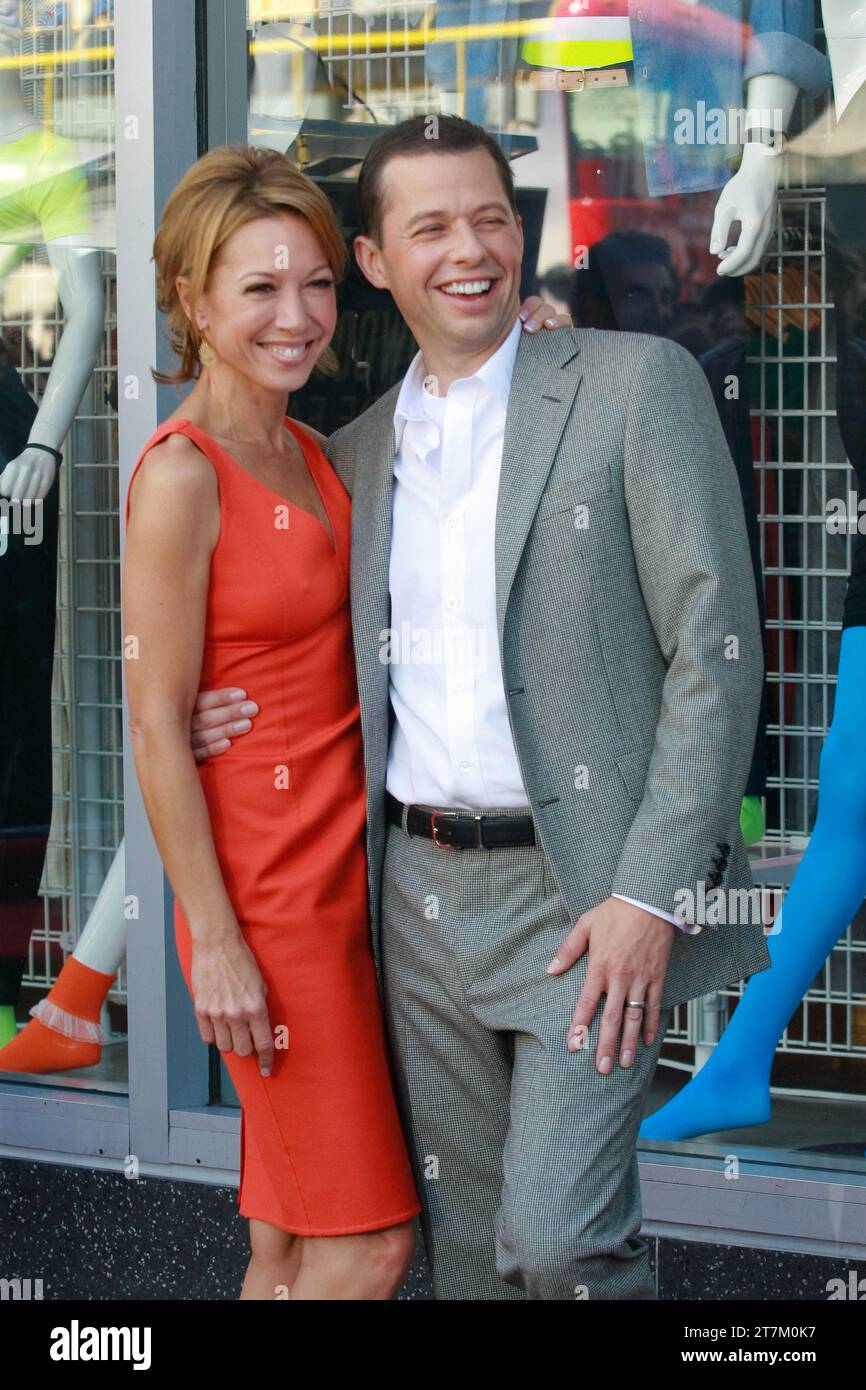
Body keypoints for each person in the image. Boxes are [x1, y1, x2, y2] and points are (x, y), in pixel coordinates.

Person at [191, 115, 770, 1301]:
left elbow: (716, 653)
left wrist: (648, 894)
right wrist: (220, 713)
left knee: (555, 1247)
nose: (470, 248)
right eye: (431, 225)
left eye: (492, 217)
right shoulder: (341, 457)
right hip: (412, 899)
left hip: (586, 890)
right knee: (461, 1254)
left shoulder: (631, 387)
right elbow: (312, 652)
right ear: (374, 261)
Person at [123, 143, 561, 1300]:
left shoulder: (324, 451)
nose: (296, 314)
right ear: (192, 301)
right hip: (270, 914)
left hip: (359, 880)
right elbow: (157, 724)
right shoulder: (182, 475)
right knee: (369, 1243)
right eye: (258, 288)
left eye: (315, 281)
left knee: (284, 1243)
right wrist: (213, 940)